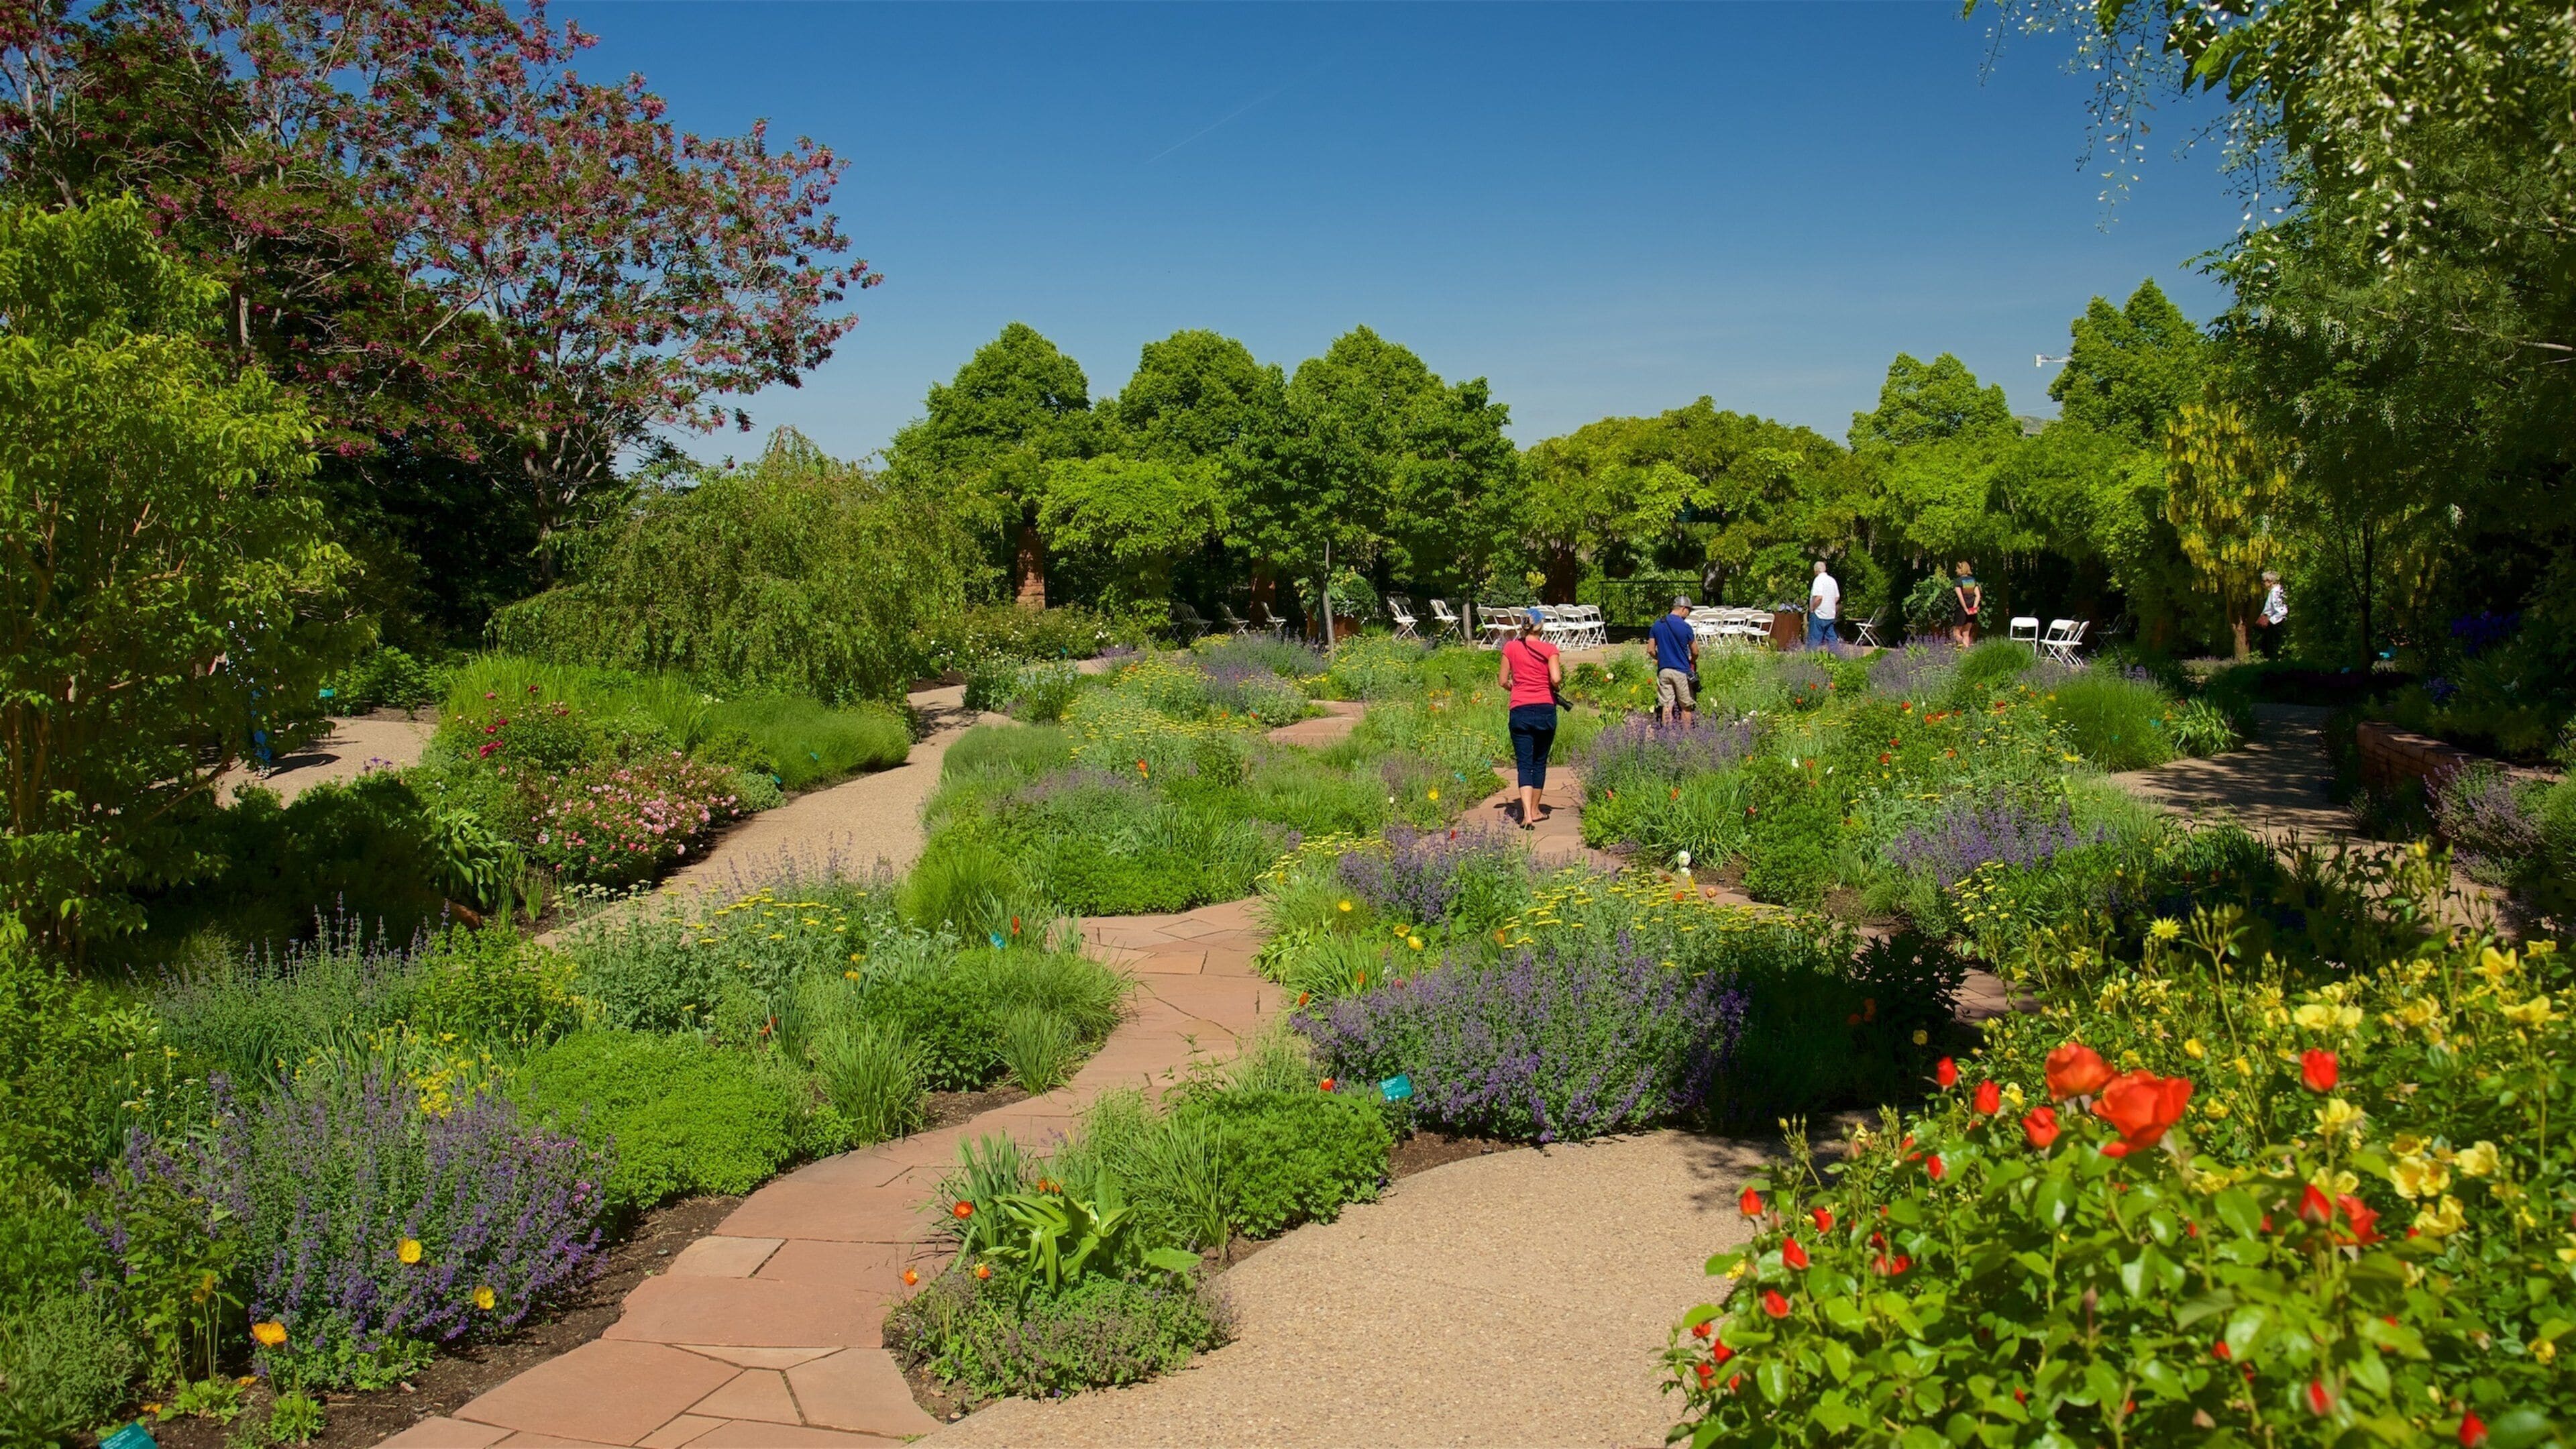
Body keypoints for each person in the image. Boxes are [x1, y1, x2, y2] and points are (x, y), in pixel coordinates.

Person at [1496, 608, 1564, 830]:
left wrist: (1515, 687)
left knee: (1524, 763)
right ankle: (1535, 809)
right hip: (1545, 708)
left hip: (1520, 709)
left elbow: (1502, 680)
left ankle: (1527, 814)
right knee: (1539, 761)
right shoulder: (1549, 649)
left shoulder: (1510, 648)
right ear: (1540, 627)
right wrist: (1554, 686)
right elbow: (1555, 678)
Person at [1648, 594, 1699, 725]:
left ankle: (1667, 738)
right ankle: (1687, 739)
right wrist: (1692, 660)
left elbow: (1650, 650)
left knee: (1667, 706)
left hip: (1663, 671)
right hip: (1681, 671)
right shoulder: (1685, 627)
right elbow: (1695, 651)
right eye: (1689, 610)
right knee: (1686, 706)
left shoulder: (1657, 625)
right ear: (1683, 609)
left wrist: (1661, 658)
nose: (1688, 614)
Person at [1807, 561, 1839, 651]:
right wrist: (1829, 604)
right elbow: (1837, 597)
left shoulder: (1818, 580)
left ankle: (1809, 659)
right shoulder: (1832, 580)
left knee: (1814, 640)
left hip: (1819, 613)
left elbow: (1819, 597)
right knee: (1832, 639)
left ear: (1816, 571)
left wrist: (1813, 608)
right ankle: (1837, 656)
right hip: (1830, 614)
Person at [1949, 560, 1982, 646]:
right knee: (1966, 633)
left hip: (1962, 609)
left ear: (1961, 569)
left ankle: (1961, 649)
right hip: (1972, 609)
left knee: (1956, 633)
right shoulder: (1972, 581)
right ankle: (1966, 653)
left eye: (1957, 569)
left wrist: (1966, 609)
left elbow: (1961, 597)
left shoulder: (1958, 581)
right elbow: (1978, 595)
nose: (1956, 571)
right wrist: (1973, 608)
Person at [2257, 570, 2287, 659]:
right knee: (2267, 646)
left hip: (2274, 624)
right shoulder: (2279, 590)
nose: (2263, 584)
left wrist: (2271, 620)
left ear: (2270, 582)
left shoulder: (2275, 593)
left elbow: (2282, 610)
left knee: (2270, 648)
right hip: (2274, 623)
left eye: (2264, 581)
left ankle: (2273, 666)